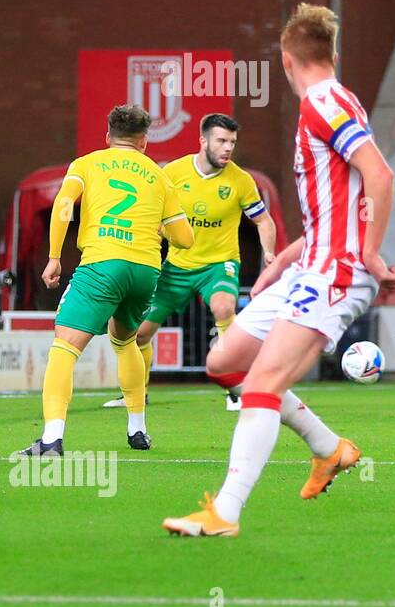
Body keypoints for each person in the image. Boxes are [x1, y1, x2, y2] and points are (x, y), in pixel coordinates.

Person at [164, 4, 395, 537]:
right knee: (225, 361)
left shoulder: (324, 102)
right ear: (332, 54)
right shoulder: (333, 103)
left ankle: (224, 511)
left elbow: (381, 176)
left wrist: (369, 253)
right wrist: (287, 260)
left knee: (262, 385)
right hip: (310, 265)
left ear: (286, 59)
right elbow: (335, 207)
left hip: (335, 272)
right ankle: (328, 448)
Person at [15, 104, 194, 456]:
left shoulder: (87, 163)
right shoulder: (160, 177)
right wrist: (157, 226)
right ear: (144, 142)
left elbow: (64, 206)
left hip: (102, 263)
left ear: (108, 136)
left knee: (64, 348)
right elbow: (185, 239)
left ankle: (51, 439)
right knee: (125, 341)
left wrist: (53, 256)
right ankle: (138, 430)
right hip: (144, 271)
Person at [102, 113, 278, 411]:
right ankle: (136, 394)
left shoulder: (240, 181)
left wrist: (270, 253)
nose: (227, 148)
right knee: (140, 331)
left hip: (218, 265)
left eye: (232, 142)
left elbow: (263, 221)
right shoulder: (173, 172)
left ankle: (235, 390)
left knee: (223, 307)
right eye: (221, 141)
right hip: (177, 267)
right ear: (203, 140)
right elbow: (154, 213)